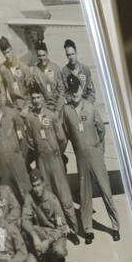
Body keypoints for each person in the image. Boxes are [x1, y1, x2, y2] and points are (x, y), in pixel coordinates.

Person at [61, 74, 119, 243]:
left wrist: (100, 149)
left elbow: (101, 129)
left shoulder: (90, 107)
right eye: (71, 91)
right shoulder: (66, 110)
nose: (75, 94)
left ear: (81, 88)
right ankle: (88, 229)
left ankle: (115, 227)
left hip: (95, 155)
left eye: (77, 90)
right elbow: (64, 133)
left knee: (105, 190)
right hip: (81, 158)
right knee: (85, 193)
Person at [25, 88, 77, 235]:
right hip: (42, 161)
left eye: (38, 97)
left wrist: (56, 153)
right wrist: (41, 152)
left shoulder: (52, 115)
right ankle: (61, 230)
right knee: (50, 196)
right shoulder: (30, 118)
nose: (35, 101)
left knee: (64, 196)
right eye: (33, 98)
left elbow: (62, 138)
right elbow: (30, 140)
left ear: (42, 98)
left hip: (55, 160)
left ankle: (74, 228)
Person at [0, 79, 31, 204]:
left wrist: (20, 157)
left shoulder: (12, 113)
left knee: (26, 195)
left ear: (1, 96)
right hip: (1, 164)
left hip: (17, 159)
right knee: (8, 196)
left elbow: (23, 139)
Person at [21, 167, 68, 262]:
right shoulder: (29, 197)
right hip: (40, 231)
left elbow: (62, 228)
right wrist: (34, 236)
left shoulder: (53, 200)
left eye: (38, 185)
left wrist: (48, 241)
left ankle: (48, 253)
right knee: (25, 232)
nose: (36, 189)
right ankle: (42, 257)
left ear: (43, 183)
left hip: (54, 233)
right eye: (34, 186)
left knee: (59, 251)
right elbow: (25, 220)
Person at [0, 37, 33, 105]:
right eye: (4, 54)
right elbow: (2, 89)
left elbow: (31, 90)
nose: (7, 56)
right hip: (14, 105)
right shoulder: (2, 69)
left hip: (27, 105)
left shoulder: (24, 67)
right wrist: (6, 104)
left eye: (8, 52)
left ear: (12, 50)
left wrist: (27, 107)